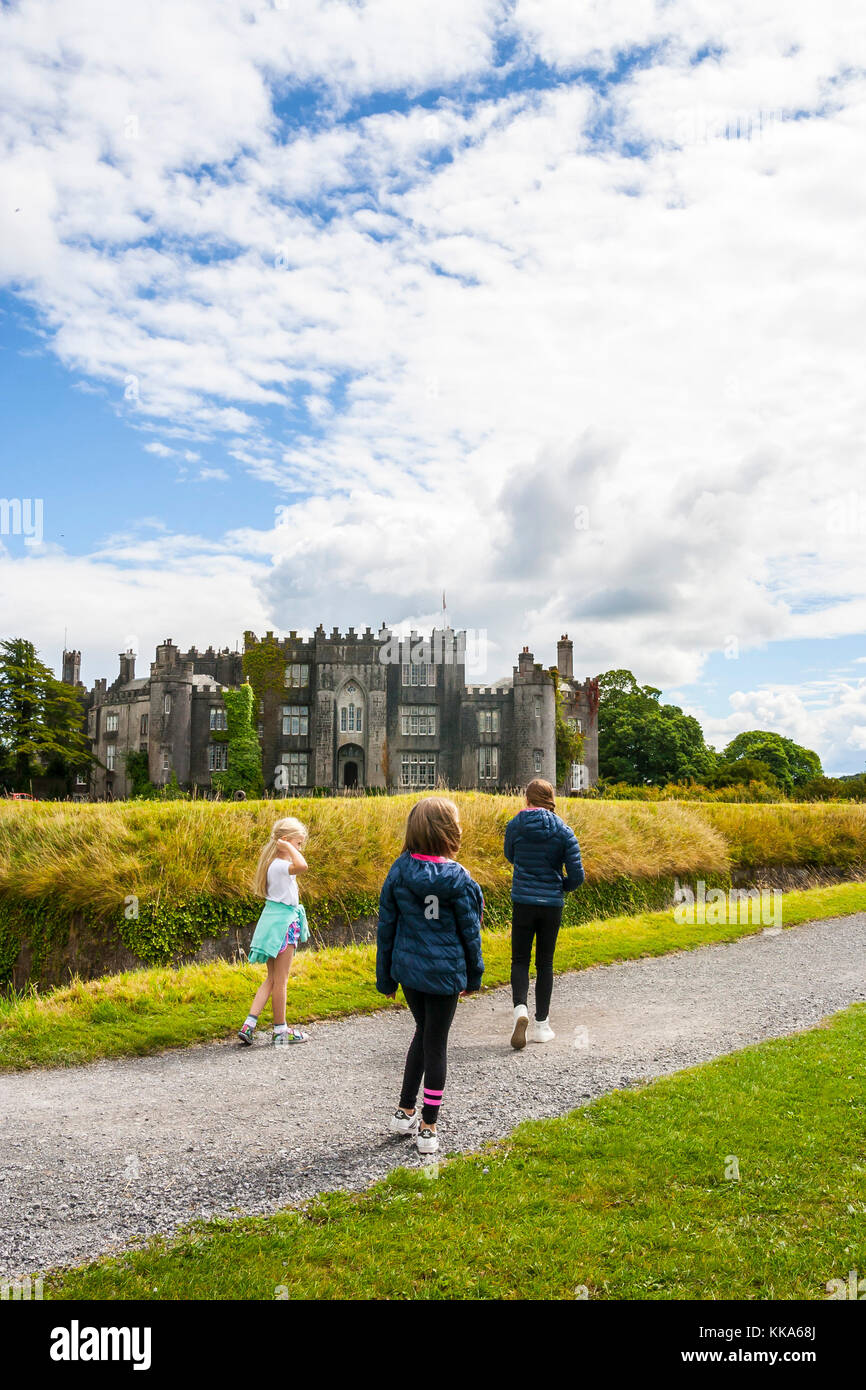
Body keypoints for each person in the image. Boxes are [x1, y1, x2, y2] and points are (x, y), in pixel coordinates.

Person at [376, 796, 484, 1155]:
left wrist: (385, 977)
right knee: (436, 1042)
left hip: (410, 973)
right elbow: (471, 932)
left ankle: (405, 1110)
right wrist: (474, 975)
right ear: (448, 832)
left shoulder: (398, 871)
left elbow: (386, 928)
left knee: (423, 1034)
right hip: (445, 973)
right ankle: (428, 1125)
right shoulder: (459, 878)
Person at [504, 778, 584, 1049]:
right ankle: (541, 1025)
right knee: (545, 963)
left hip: (523, 901)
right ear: (551, 800)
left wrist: (526, 869)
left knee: (519, 959)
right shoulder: (564, 831)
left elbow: (510, 854)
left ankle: (520, 1010)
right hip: (551, 904)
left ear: (527, 799)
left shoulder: (516, 825)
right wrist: (560, 886)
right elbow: (577, 875)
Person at [238, 816, 311, 1047]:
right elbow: (303, 866)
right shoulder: (281, 865)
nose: (299, 849)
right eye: (299, 844)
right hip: (283, 926)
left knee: (271, 979)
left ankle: (249, 1025)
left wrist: (287, 845)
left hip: (272, 922)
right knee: (281, 981)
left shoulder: (274, 865)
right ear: (286, 841)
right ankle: (281, 1030)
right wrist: (288, 846)